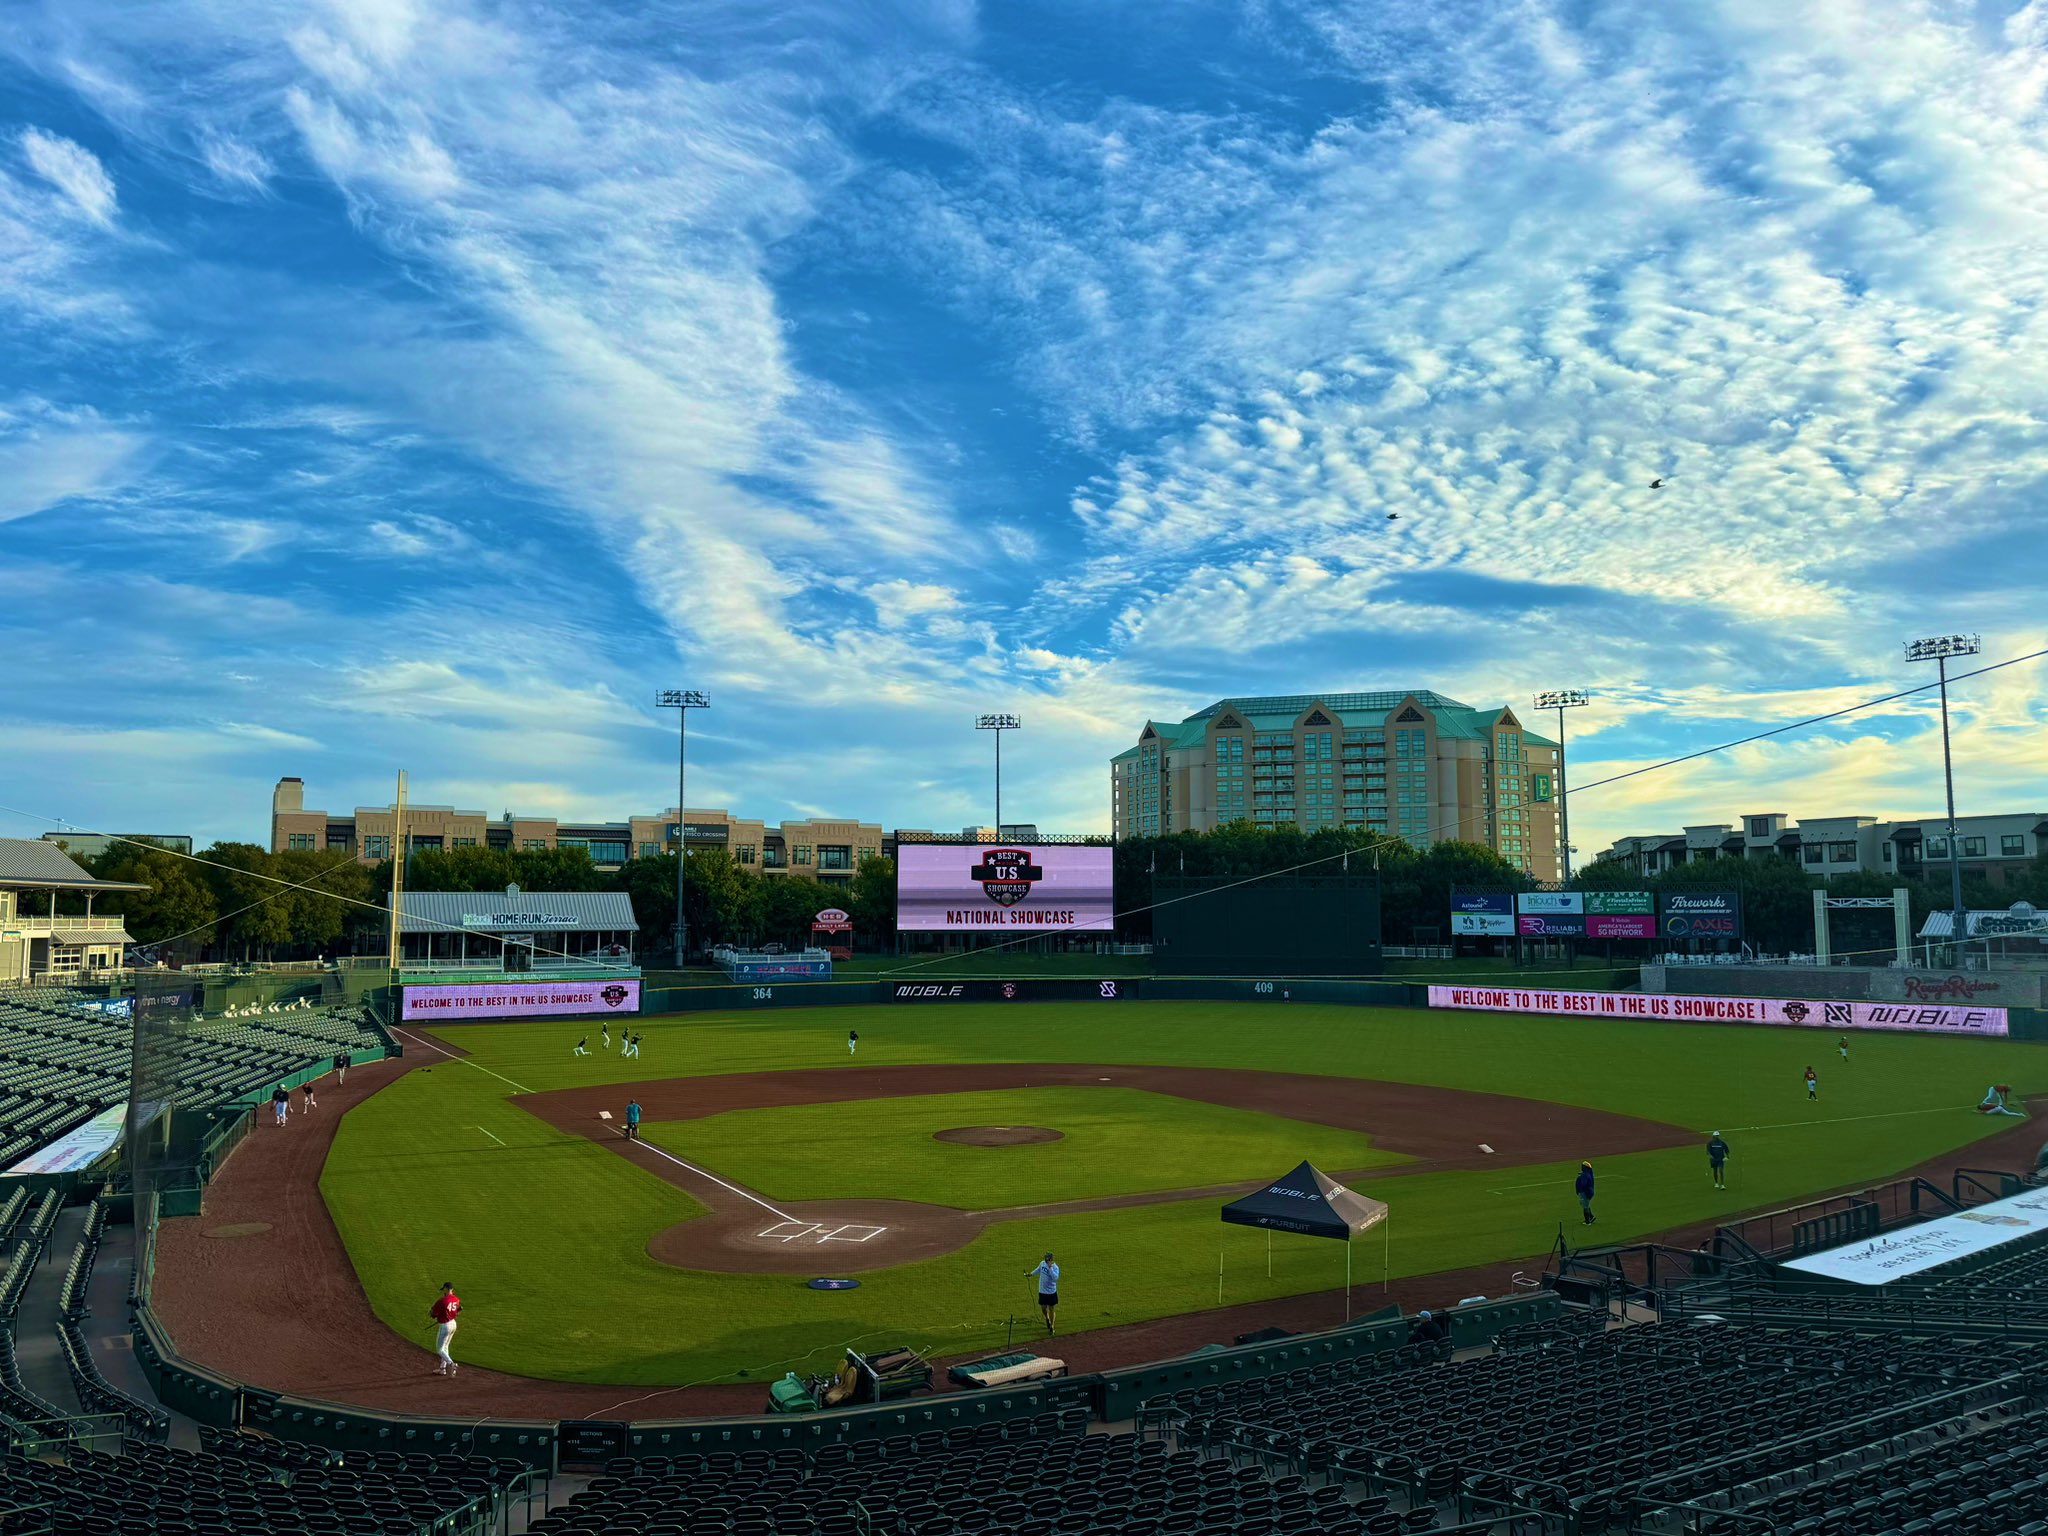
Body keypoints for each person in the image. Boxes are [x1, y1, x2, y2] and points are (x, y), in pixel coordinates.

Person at [429, 1282, 461, 1376]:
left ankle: (451, 1364)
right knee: (445, 1347)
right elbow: (456, 1312)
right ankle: (442, 1369)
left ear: (447, 1289)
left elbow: (433, 1313)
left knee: (439, 1349)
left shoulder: (442, 1301)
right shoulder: (456, 1300)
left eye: (443, 1289)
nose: (443, 1291)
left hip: (445, 1326)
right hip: (453, 1324)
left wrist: (433, 1315)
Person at [1029, 1252, 1060, 1334]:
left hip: (1051, 1292)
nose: (1046, 1261)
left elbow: (1055, 1278)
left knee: (1051, 1309)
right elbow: (1038, 1269)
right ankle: (1047, 1319)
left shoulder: (1055, 1267)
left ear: (1050, 1260)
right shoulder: (1042, 1263)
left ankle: (1052, 1327)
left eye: (1047, 1259)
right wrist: (1031, 1274)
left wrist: (1050, 1268)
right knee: (1043, 1308)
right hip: (1042, 1291)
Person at [1575, 1161, 1596, 1225]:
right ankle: (1591, 1217)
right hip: (1587, 1192)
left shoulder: (1585, 1175)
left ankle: (1587, 1221)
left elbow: (1584, 1184)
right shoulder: (1588, 1173)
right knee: (1586, 1205)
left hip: (1584, 1192)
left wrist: (1580, 1178)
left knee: (1585, 1206)